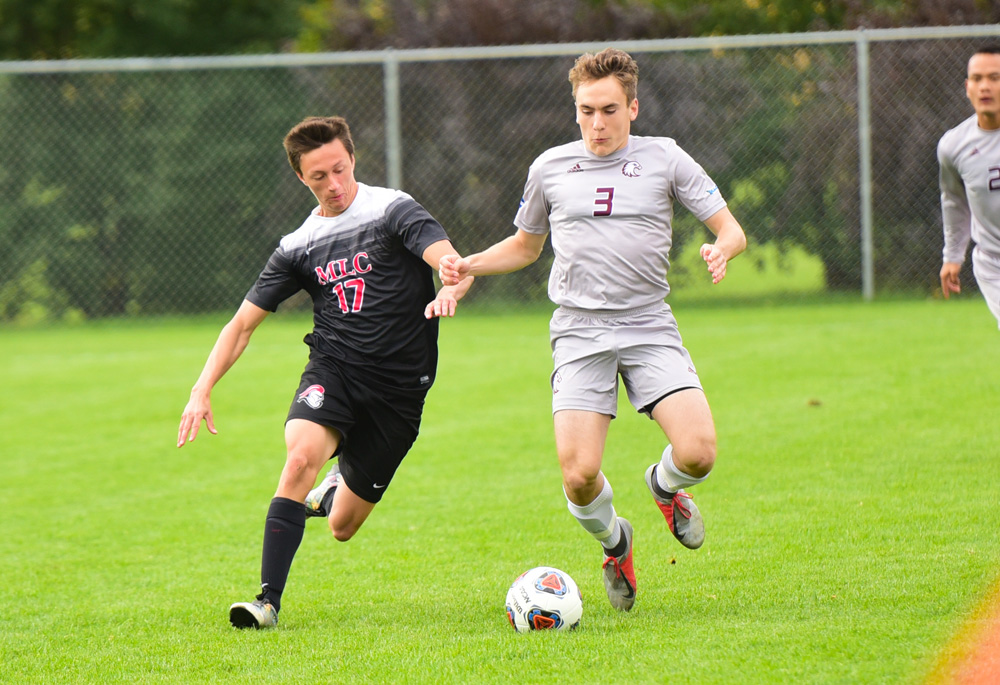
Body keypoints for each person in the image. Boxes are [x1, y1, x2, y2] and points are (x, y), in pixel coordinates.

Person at [439, 48, 746, 612]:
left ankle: (663, 485)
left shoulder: (666, 158)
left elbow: (730, 228)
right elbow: (526, 247)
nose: (597, 124)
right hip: (579, 330)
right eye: (586, 111)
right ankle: (616, 542)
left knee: (699, 452)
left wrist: (720, 248)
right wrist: (467, 268)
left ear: (633, 106)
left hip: (649, 322)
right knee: (580, 475)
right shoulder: (549, 168)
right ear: (575, 109)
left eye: (608, 110)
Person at [177, 115, 472, 629]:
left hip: (400, 392)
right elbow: (242, 325)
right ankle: (267, 602)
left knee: (341, 527)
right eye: (319, 177)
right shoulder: (299, 245)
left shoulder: (392, 209)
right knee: (299, 460)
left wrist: (449, 285)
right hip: (333, 371)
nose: (333, 185)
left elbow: (450, 262)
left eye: (339, 169)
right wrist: (201, 389)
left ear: (352, 158)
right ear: (301, 178)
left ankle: (333, 491)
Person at [938, 45, 1000, 329]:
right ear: (967, 87)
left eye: (995, 78)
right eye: (977, 78)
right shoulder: (953, 146)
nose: (985, 86)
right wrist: (952, 255)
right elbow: (953, 201)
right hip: (994, 264)